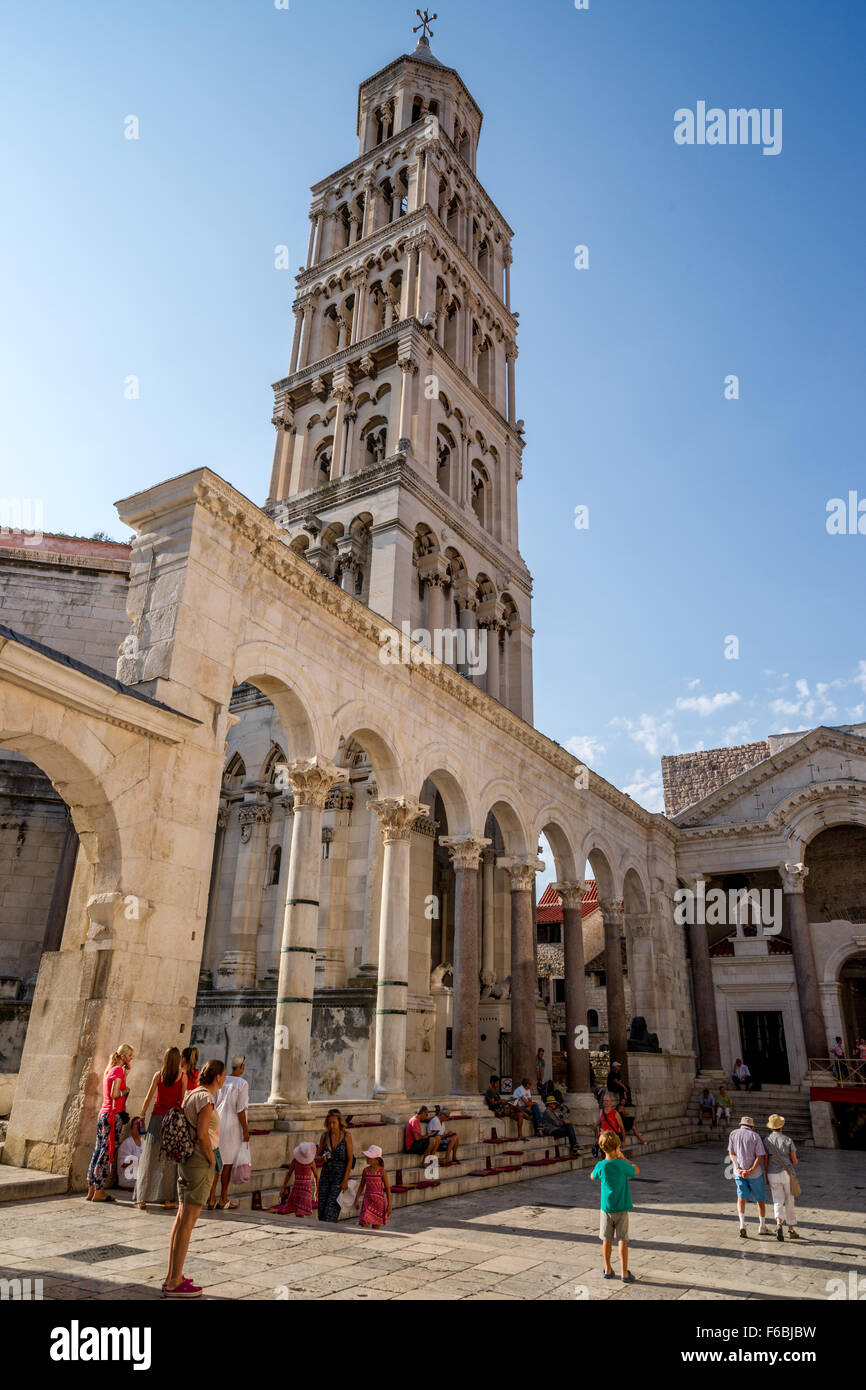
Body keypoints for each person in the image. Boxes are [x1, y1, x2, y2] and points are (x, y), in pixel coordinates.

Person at [164, 1058, 225, 1298]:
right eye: (224, 1075)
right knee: (187, 1222)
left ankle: (172, 1275)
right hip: (199, 1161)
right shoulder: (207, 1099)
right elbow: (201, 1134)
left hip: (187, 1161)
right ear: (218, 1077)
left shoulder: (192, 1094)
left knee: (180, 1219)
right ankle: (175, 1282)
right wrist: (211, 1158)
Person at [135, 1046, 187, 1210]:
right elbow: (182, 1101)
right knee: (169, 1159)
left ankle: (142, 1198)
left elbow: (149, 1097)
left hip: (157, 1119)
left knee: (149, 1158)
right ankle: (168, 1200)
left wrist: (142, 1115)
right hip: (172, 1121)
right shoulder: (182, 1076)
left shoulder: (159, 1075)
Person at [86, 1042, 134, 1202]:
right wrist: (125, 1091)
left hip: (104, 1114)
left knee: (98, 1149)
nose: (131, 1059)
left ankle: (92, 1188)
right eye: (129, 1056)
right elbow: (115, 1094)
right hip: (112, 1116)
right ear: (123, 1056)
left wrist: (125, 1077)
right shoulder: (118, 1070)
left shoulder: (111, 1069)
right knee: (106, 1152)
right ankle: (99, 1190)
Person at [590, 1130, 638, 1283]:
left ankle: (608, 1269)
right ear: (617, 1147)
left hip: (606, 1209)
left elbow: (592, 1176)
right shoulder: (622, 1164)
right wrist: (624, 1158)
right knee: (623, 1239)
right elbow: (636, 1170)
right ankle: (624, 1273)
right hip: (622, 1208)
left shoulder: (601, 1165)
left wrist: (599, 1165)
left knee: (606, 1239)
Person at [208, 1055, 250, 1211]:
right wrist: (245, 1131)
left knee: (216, 1163)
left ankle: (211, 1197)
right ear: (242, 1067)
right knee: (226, 1165)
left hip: (217, 1121)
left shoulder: (223, 1080)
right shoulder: (242, 1083)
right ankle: (223, 1198)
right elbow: (240, 1110)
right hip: (232, 1126)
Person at [727, 1114, 768, 1239]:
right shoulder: (755, 1136)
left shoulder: (733, 1134)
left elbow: (731, 1153)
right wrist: (750, 1170)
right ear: (752, 1126)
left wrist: (738, 1168)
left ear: (741, 1125)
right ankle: (762, 1226)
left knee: (741, 1197)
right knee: (760, 1200)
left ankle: (742, 1225)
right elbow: (760, 1156)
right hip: (755, 1174)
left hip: (738, 1172)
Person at [764, 1115, 800, 1241]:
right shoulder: (788, 1140)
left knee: (777, 1200)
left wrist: (766, 1175)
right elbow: (794, 1160)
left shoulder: (766, 1140)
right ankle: (790, 1229)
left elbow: (766, 1159)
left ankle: (779, 1224)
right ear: (781, 1127)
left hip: (772, 1173)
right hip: (786, 1173)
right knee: (789, 1201)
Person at [316, 1108, 354, 1223]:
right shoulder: (324, 1136)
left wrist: (345, 1180)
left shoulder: (346, 1136)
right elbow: (318, 1156)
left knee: (331, 1211)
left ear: (339, 1122)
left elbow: (350, 1159)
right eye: (329, 1123)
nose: (331, 1125)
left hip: (339, 1177)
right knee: (322, 1211)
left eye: (334, 1122)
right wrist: (321, 1158)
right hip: (325, 1176)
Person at [272, 1141, 318, 1217]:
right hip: (297, 1188)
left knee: (300, 1212)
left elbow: (316, 1176)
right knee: (297, 1211)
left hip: (306, 1189)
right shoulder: (295, 1161)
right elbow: (289, 1174)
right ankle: (300, 1223)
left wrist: (316, 1191)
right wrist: (283, 1187)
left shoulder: (311, 1162)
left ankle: (300, 1224)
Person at [354, 1144, 392, 1230]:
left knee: (376, 1227)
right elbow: (361, 1186)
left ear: (377, 1159)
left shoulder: (382, 1172)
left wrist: (389, 1205)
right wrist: (356, 1199)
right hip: (367, 1200)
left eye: (369, 1157)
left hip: (379, 1202)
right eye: (367, 1157)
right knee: (364, 1221)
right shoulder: (365, 1171)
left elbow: (387, 1188)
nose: (367, 1158)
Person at [118, 1117, 145, 1190]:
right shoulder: (127, 1143)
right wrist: (140, 1162)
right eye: (137, 1124)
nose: (139, 1126)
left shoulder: (144, 1142)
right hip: (128, 1177)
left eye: (141, 1124)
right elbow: (123, 1164)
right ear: (131, 1129)